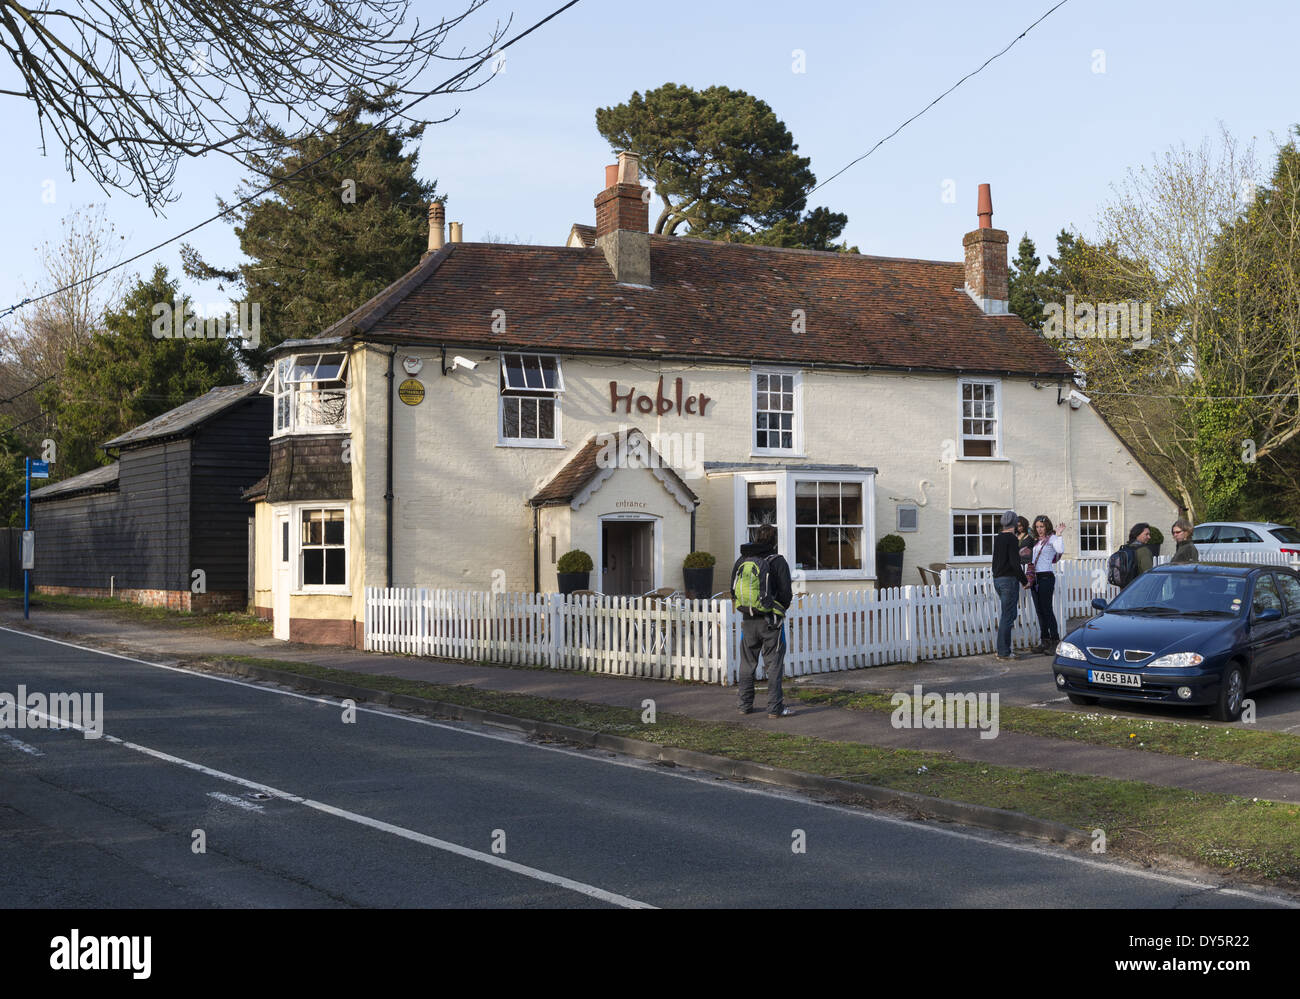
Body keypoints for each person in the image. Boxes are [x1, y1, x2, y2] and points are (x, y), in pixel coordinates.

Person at [731, 523, 794, 718]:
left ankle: (744, 705)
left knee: (746, 664)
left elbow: (733, 590)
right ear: (774, 541)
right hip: (771, 622)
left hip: (747, 620)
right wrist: (777, 609)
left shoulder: (742, 560)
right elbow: (786, 594)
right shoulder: (778, 561)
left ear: (755, 536)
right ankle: (775, 709)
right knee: (773, 665)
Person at [992, 510, 1029, 661]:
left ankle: (1002, 649)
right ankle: (1004, 652)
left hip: (998, 580)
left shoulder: (999, 537)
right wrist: (1025, 581)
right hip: (1008, 580)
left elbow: (1000, 559)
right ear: (1014, 523)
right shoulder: (1012, 539)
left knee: (1006, 615)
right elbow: (1014, 563)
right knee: (1008, 616)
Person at [1029, 516, 1065, 654]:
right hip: (1036, 578)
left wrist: (1059, 534)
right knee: (1040, 611)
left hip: (1046, 577)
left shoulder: (1052, 539)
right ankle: (1045, 640)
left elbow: (1060, 549)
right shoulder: (1036, 542)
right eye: (1037, 527)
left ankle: (1055, 641)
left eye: (1042, 527)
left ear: (1047, 527)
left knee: (1047, 610)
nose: (1039, 529)